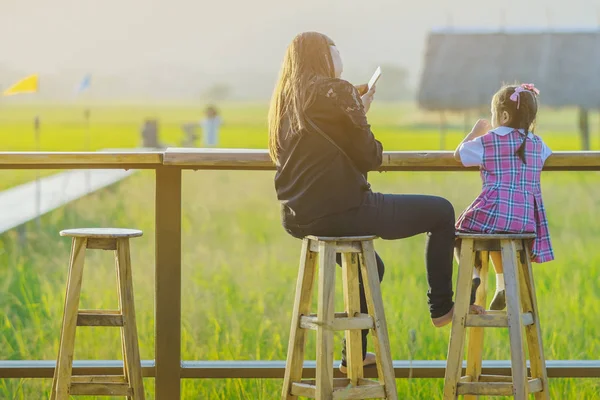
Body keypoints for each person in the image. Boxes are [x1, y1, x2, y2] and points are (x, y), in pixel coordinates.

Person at [269, 31, 480, 374]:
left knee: (373, 268)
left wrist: (353, 108)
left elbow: (328, 146)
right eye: (334, 50)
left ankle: (354, 354)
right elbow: (370, 155)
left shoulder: (288, 99)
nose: (340, 56)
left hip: (299, 217)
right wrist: (359, 111)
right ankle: (442, 307)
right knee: (442, 211)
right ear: (322, 57)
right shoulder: (337, 91)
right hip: (343, 210)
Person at [454, 83, 554, 310]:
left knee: (458, 234)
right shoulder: (538, 144)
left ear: (505, 115)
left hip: (492, 211)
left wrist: (473, 133)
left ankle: (473, 275)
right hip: (525, 221)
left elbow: (459, 154)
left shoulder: (489, 140)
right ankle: (502, 287)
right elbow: (548, 156)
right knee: (500, 238)